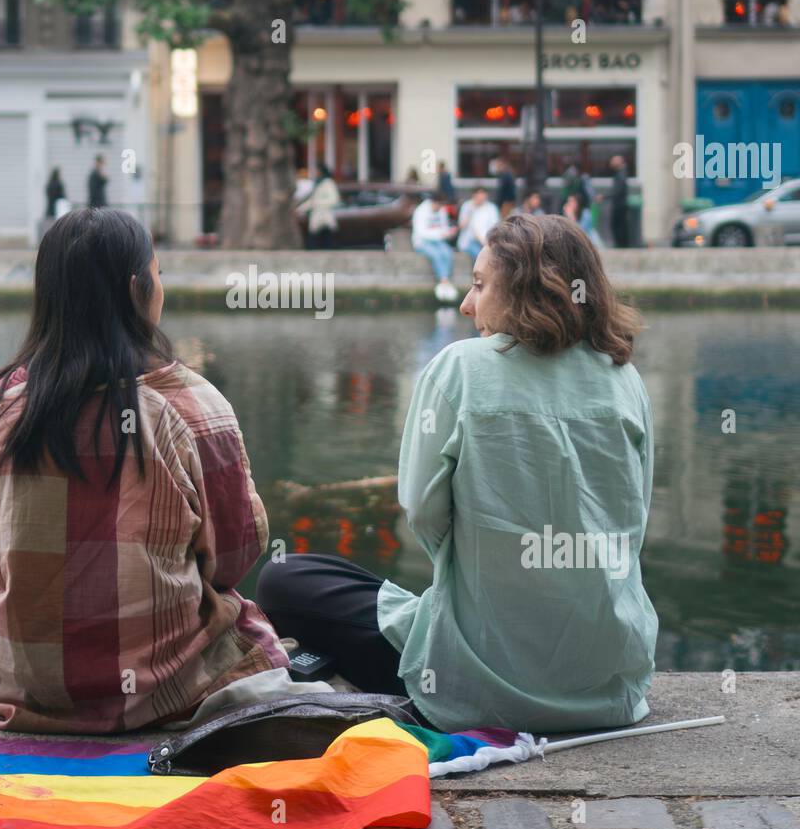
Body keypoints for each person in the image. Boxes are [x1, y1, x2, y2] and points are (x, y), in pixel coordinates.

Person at [257, 214, 659, 735]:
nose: (468, 305)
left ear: (526, 292)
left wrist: (483, 565)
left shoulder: (460, 368)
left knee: (283, 578)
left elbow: (423, 512)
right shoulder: (623, 378)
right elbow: (633, 520)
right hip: (611, 688)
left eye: (479, 285)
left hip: (475, 685)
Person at [0, 208, 289, 732]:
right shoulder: (193, 405)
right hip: (158, 689)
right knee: (261, 604)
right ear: (140, 288)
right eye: (158, 274)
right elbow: (231, 559)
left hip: (15, 686)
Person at [411, 192, 458, 303]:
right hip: (422, 241)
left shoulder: (441, 210)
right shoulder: (421, 211)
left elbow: (444, 226)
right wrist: (440, 234)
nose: (440, 208)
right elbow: (421, 232)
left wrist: (448, 232)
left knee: (447, 252)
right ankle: (444, 281)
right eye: (438, 205)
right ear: (433, 202)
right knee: (436, 254)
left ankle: (445, 281)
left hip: (438, 240)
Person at [295, 162, 341, 249]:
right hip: (316, 216)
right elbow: (311, 201)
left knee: (326, 241)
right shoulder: (317, 183)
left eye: (317, 171)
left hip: (325, 217)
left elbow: (334, 199)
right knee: (315, 241)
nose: (316, 173)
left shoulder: (328, 183)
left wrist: (318, 203)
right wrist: (300, 209)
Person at [457, 185, 499, 261]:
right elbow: (461, 226)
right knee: (480, 255)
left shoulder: (491, 207)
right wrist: (471, 209)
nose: (481, 197)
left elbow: (496, 226)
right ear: (474, 195)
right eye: (479, 195)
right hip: (469, 241)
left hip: (488, 240)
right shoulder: (467, 206)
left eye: (483, 195)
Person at [609, 155, 630, 248]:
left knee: (618, 226)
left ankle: (620, 245)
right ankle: (621, 245)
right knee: (619, 226)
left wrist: (605, 197)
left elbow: (617, 191)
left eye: (614, 161)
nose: (611, 163)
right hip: (620, 204)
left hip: (619, 205)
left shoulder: (620, 175)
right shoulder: (620, 174)